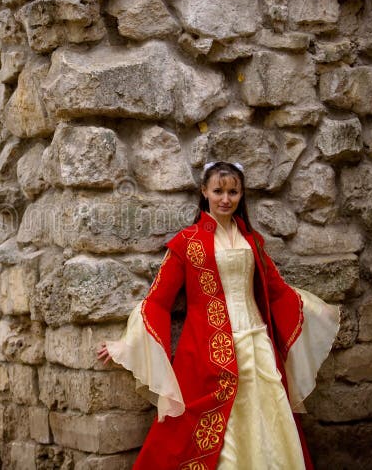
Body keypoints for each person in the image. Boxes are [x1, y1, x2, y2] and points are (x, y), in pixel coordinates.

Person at [97, 161, 339, 470]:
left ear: (241, 195)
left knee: (267, 415)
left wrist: (320, 315)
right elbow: (159, 300)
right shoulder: (187, 242)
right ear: (204, 192)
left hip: (257, 345)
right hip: (206, 350)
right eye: (218, 191)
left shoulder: (253, 241)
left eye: (233, 192)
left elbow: (277, 291)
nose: (225, 199)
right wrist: (126, 343)